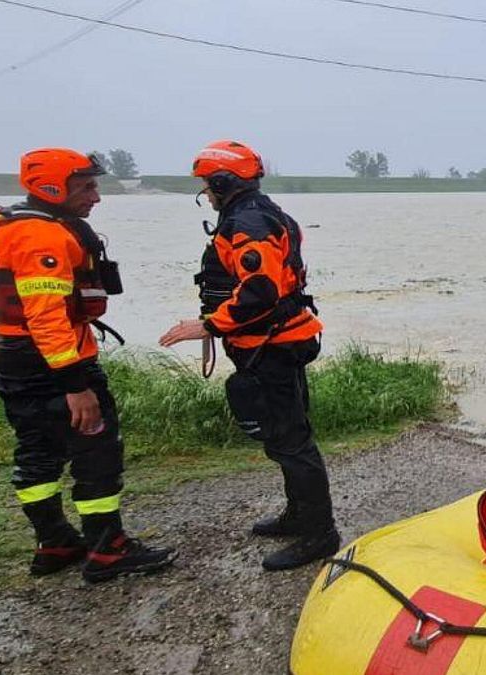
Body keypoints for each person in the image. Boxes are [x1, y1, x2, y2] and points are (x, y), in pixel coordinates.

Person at [0, 147, 176, 582]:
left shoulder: (8, 225)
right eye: (85, 186)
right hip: (55, 362)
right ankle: (108, 550)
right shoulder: (41, 237)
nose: (96, 196)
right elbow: (46, 316)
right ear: (52, 187)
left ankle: (55, 541)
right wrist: (75, 385)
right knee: (97, 452)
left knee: (36, 452)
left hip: (10, 357)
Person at [159, 139, 340, 571]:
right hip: (272, 341)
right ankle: (299, 515)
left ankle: (319, 533)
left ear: (223, 181)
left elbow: (259, 291)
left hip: (271, 345)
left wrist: (206, 325)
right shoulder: (258, 214)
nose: (206, 192)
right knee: (284, 438)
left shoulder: (249, 223)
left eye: (208, 184)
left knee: (291, 442)